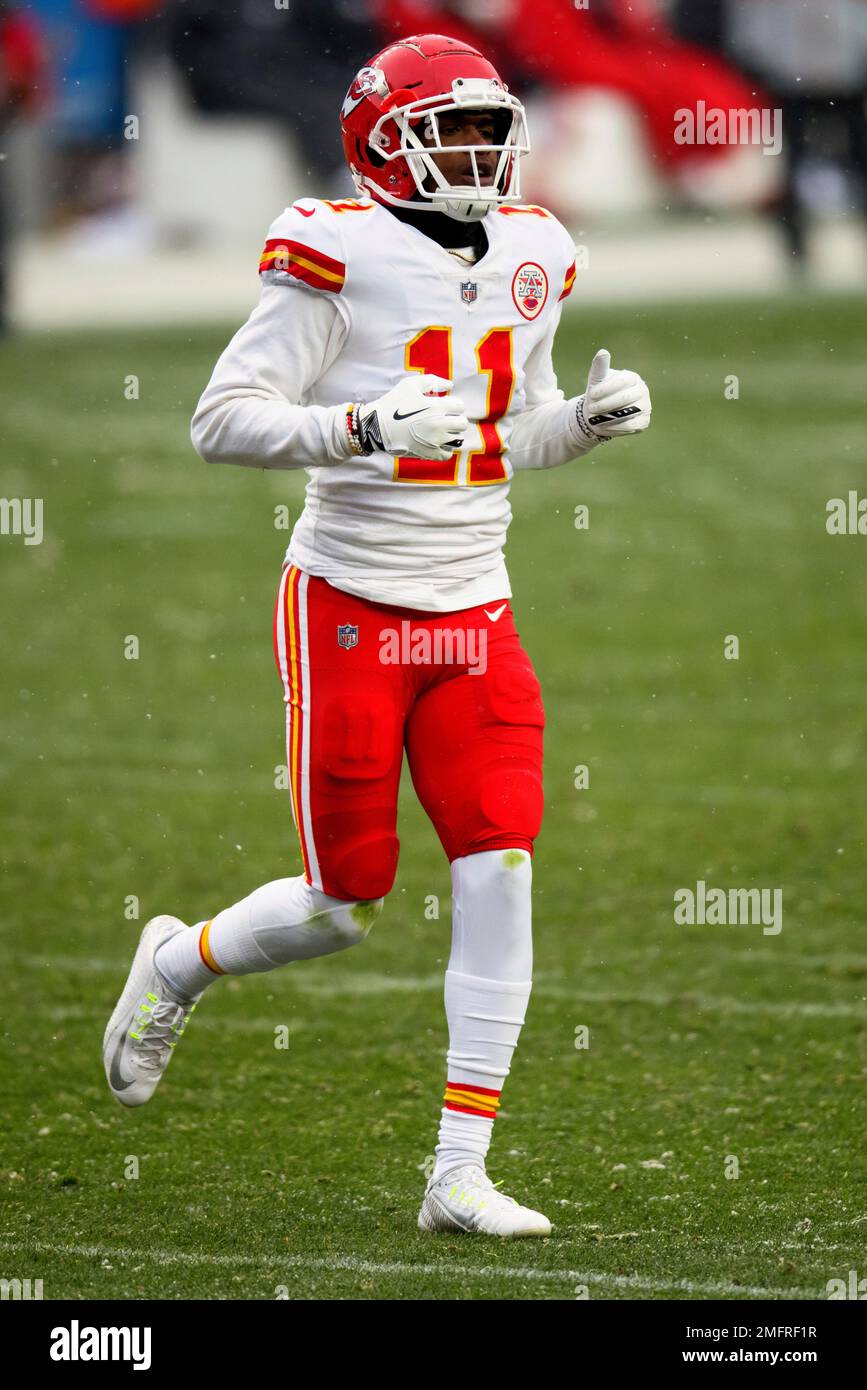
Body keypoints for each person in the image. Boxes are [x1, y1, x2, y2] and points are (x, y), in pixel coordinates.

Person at [103, 32, 652, 1238]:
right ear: (382, 144)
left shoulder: (537, 251)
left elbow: (509, 433)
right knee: (343, 903)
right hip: (350, 601)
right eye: (449, 131)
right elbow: (220, 422)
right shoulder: (336, 249)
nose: (478, 153)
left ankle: (458, 1170)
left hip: (476, 609)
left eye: (488, 129)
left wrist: (586, 421)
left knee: (500, 864)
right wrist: (355, 428)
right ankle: (180, 959)